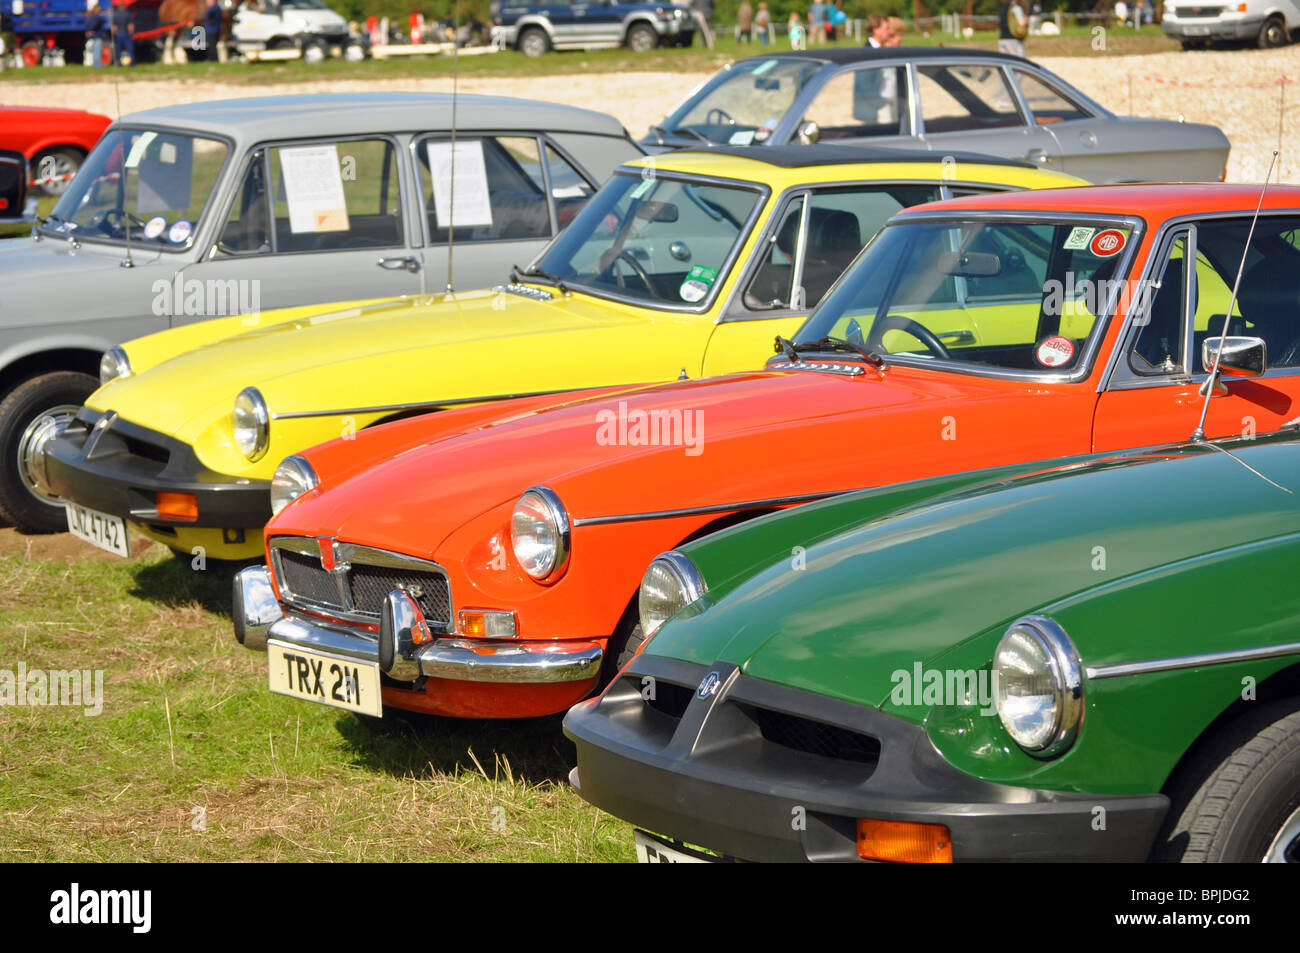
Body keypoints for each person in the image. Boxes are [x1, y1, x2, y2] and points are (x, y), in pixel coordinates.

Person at [85, 0, 110, 68]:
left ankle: (96, 65)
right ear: (96, 8)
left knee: (95, 51)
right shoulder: (97, 16)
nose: (100, 9)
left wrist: (88, 31)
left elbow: (87, 24)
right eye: (99, 8)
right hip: (97, 35)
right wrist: (91, 30)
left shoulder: (90, 15)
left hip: (93, 36)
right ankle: (98, 65)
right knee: (97, 51)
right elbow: (98, 23)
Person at [111, 0, 134, 66]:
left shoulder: (115, 15)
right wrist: (131, 33)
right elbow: (130, 26)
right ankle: (131, 63)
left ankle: (118, 63)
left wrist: (115, 34)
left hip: (119, 34)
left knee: (118, 50)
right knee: (130, 49)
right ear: (124, 6)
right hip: (126, 33)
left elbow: (114, 27)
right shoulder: (127, 14)